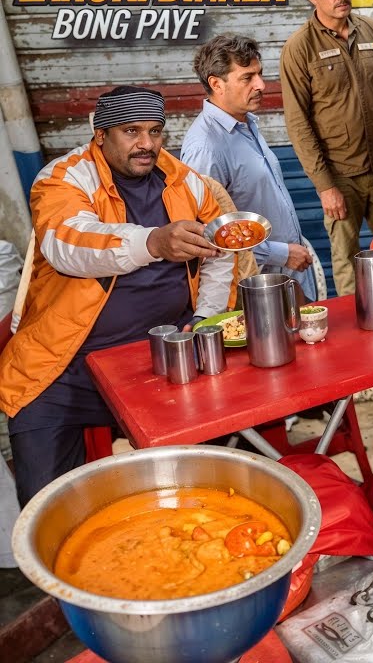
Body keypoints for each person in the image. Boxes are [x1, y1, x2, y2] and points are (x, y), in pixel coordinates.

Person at [0, 86, 233, 505]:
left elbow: (220, 251)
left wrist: (205, 319)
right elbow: (67, 246)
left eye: (155, 131)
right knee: (47, 505)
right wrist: (154, 243)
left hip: (163, 358)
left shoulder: (185, 181)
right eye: (132, 131)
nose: (147, 144)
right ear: (101, 135)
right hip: (64, 367)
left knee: (203, 485)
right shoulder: (64, 178)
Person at [279, 0, 373, 295]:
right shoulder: (299, 48)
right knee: (346, 260)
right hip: (338, 177)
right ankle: (357, 333)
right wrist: (324, 187)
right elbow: (298, 123)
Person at [183, 34, 317, 301]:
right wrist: (282, 253)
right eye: (247, 78)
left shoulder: (246, 124)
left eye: (259, 74)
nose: (261, 85)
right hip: (256, 291)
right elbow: (210, 237)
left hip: (287, 278)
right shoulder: (206, 147)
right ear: (216, 84)